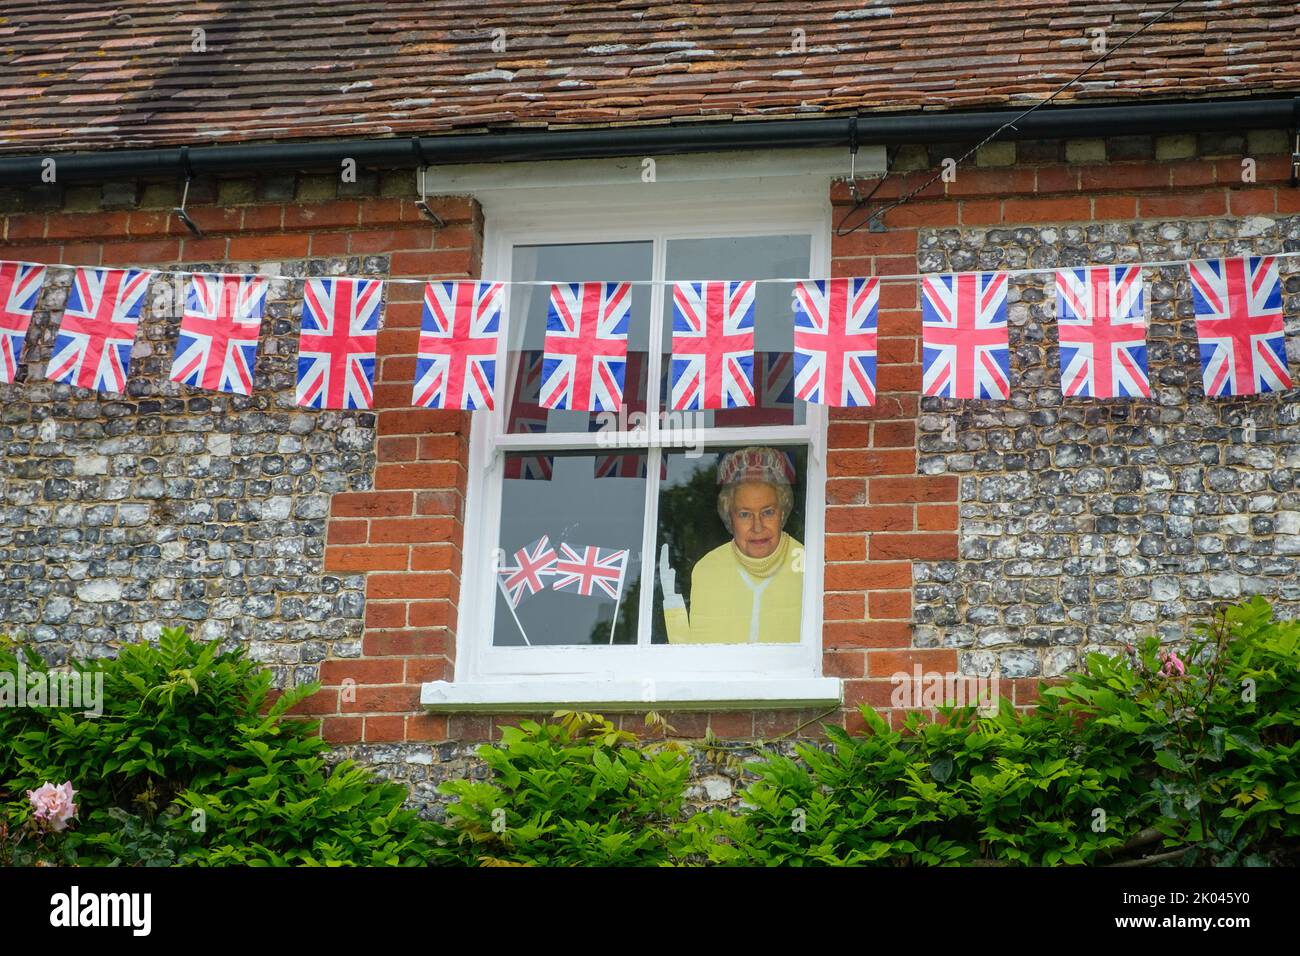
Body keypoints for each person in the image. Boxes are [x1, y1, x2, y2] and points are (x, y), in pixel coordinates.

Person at [662, 446, 803, 644]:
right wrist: (672, 606)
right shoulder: (708, 569)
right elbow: (695, 656)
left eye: (768, 512)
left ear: (783, 513)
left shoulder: (807, 564)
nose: (757, 526)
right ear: (730, 518)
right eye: (745, 514)